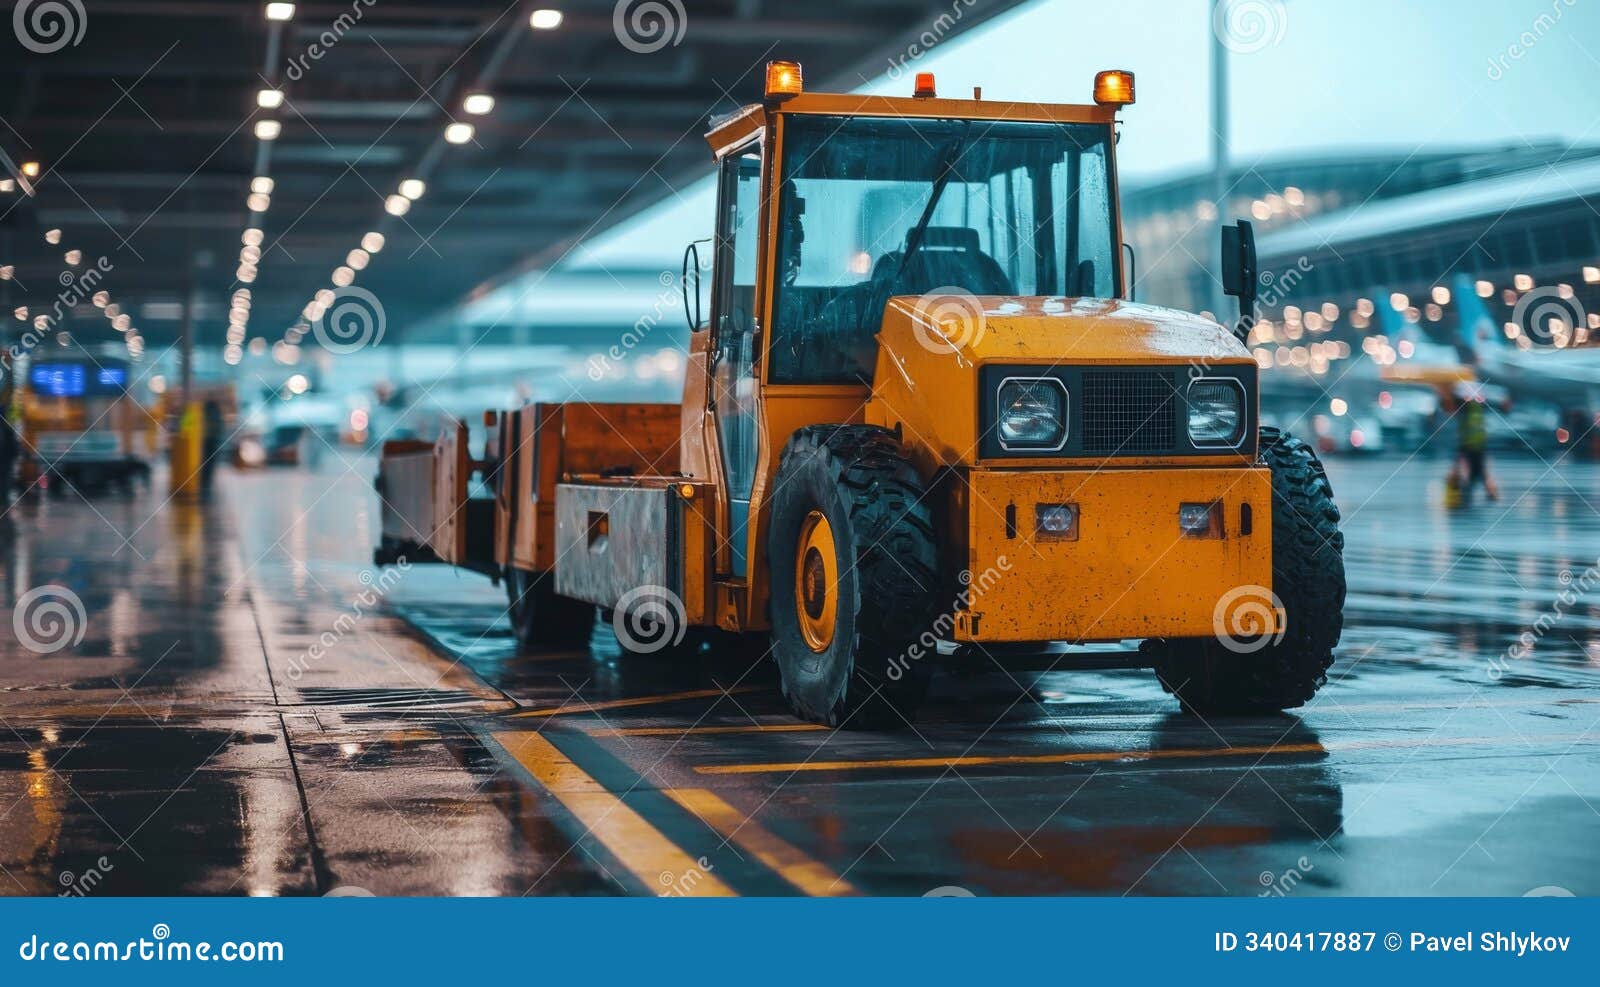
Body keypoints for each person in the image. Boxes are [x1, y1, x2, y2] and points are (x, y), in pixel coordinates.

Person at [1446, 381, 1500, 505]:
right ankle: (1490, 495)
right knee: (1481, 472)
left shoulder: (1466, 409)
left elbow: (1455, 404)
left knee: (1467, 471)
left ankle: (1464, 492)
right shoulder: (1478, 407)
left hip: (1468, 445)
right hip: (1478, 445)